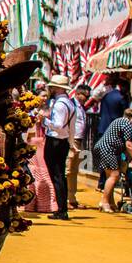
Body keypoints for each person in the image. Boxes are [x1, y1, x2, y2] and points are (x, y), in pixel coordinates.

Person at [41, 73, 77, 220]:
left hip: (55, 140)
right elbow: (71, 127)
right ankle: (62, 208)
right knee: (59, 175)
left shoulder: (60, 105)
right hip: (62, 141)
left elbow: (58, 125)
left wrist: (44, 119)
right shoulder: (70, 103)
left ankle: (62, 209)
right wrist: (71, 141)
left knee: (57, 175)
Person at [96, 107, 132, 212]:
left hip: (104, 148)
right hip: (108, 149)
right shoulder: (127, 123)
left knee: (110, 176)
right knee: (114, 175)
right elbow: (128, 145)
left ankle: (111, 202)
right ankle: (104, 202)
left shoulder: (120, 120)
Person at [66, 83, 90, 209]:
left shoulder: (81, 107)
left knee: (74, 171)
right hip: (72, 139)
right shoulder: (71, 104)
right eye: (84, 95)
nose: (86, 98)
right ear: (77, 93)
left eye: (87, 96)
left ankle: (72, 198)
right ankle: (64, 199)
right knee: (68, 170)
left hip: (79, 140)